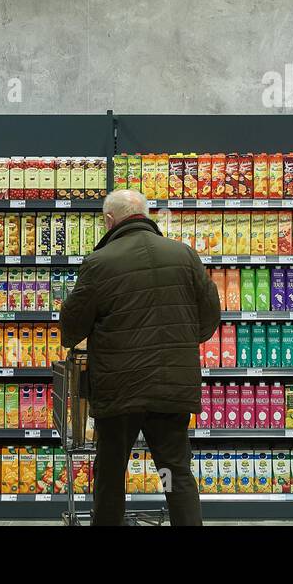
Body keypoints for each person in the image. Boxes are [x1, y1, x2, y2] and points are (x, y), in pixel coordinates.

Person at [61, 189, 220, 525]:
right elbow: (209, 318)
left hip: (120, 392)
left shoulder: (100, 262)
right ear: (147, 215)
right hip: (171, 391)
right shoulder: (184, 255)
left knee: (111, 473)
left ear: (109, 220)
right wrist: (182, 343)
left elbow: (72, 329)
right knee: (173, 469)